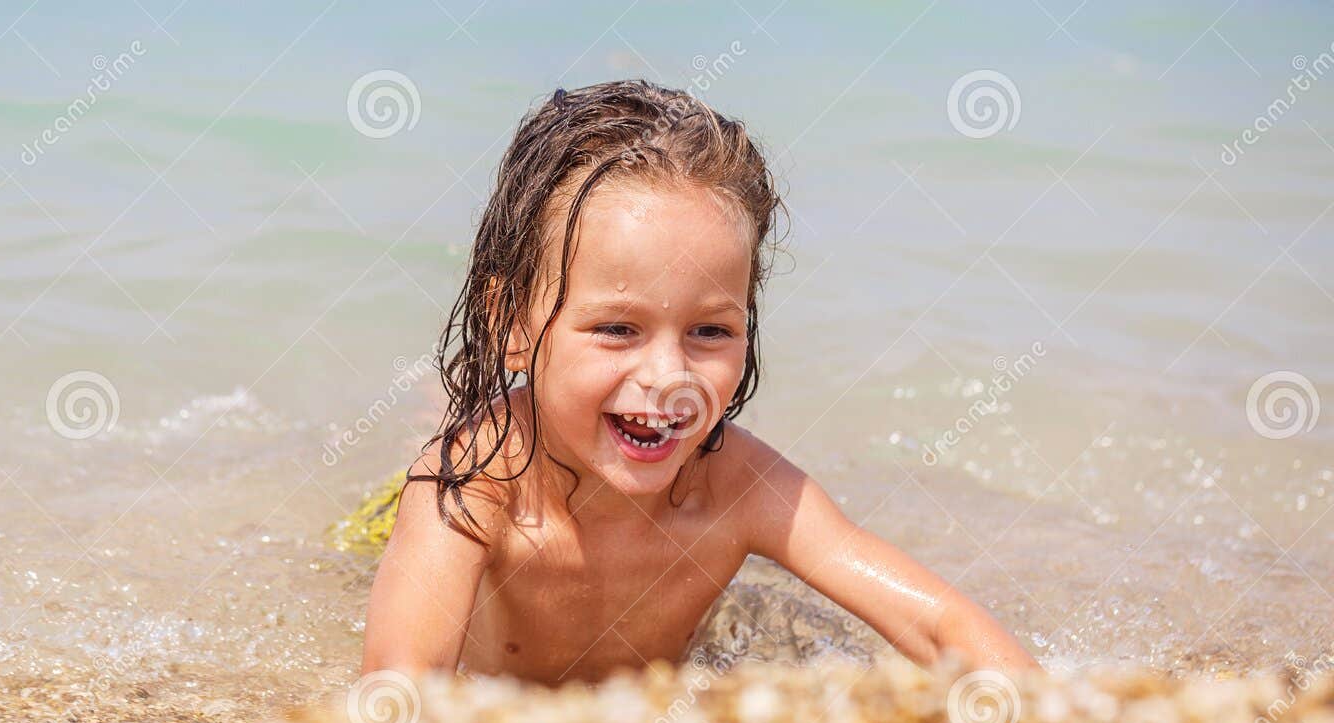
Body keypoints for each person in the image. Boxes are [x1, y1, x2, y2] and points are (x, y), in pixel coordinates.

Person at [360, 80, 1038, 684]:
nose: (669, 378)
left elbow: (939, 626)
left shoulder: (739, 486)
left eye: (710, 331)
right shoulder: (469, 490)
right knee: (405, 484)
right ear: (509, 319)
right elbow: (398, 690)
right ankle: (434, 409)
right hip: (451, 476)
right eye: (617, 329)